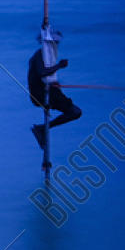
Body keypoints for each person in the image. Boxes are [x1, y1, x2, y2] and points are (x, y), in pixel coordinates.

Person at [28, 24, 80, 158]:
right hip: (40, 94)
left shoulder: (47, 56)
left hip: (49, 92)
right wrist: (59, 66)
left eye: (56, 42)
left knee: (75, 112)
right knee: (74, 111)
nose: (56, 44)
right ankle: (42, 129)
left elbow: (47, 76)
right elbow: (42, 73)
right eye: (54, 42)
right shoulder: (40, 54)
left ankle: (43, 128)